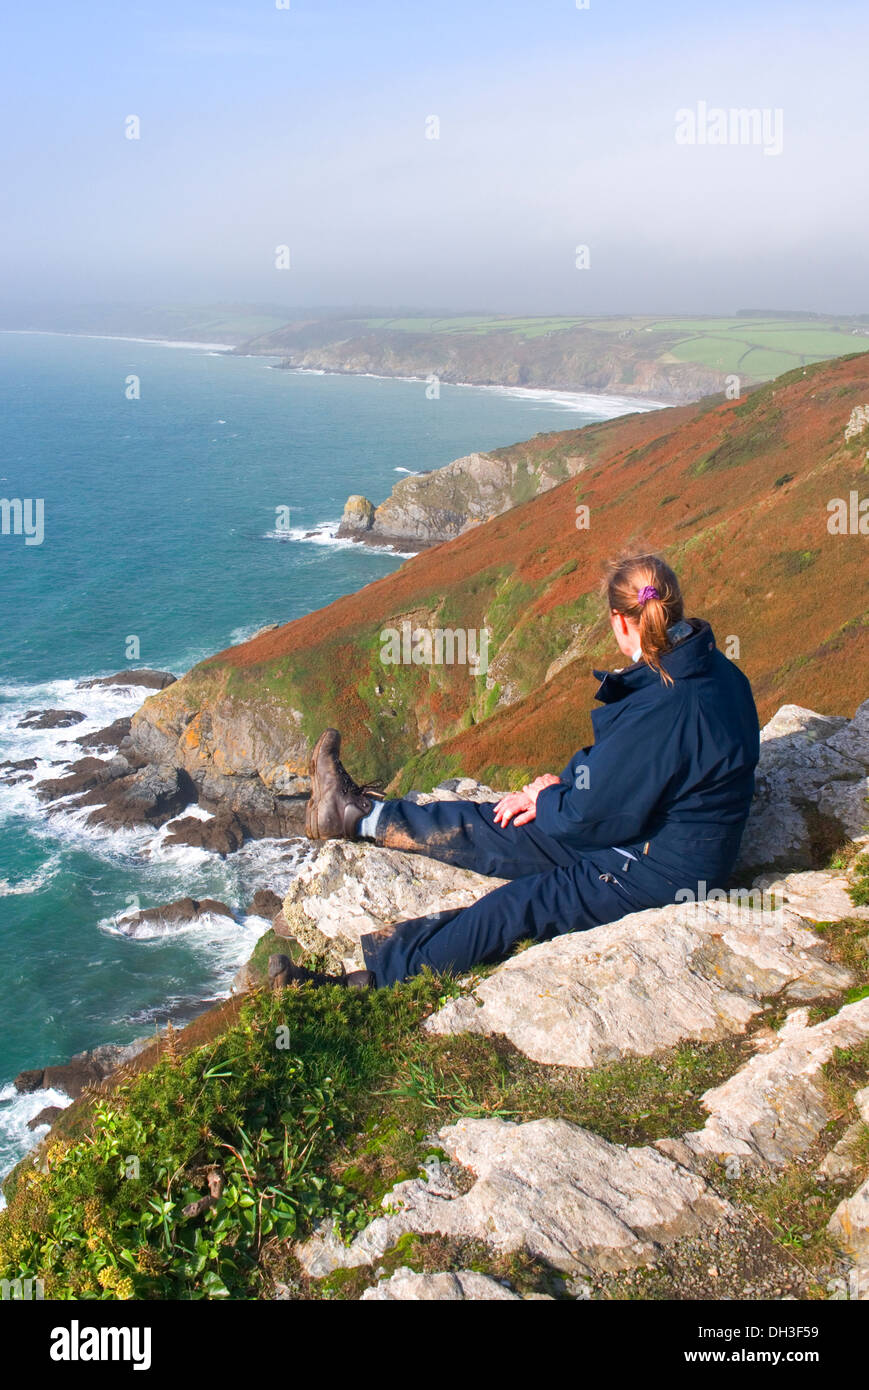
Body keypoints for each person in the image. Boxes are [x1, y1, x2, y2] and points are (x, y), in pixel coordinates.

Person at [270, 553, 760, 992]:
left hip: (660, 869)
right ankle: (358, 816)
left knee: (517, 906)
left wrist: (553, 799)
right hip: (641, 831)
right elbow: (624, 775)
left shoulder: (667, 704)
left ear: (618, 619)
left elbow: (591, 814)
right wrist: (554, 793)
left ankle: (363, 986)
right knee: (500, 819)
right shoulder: (707, 668)